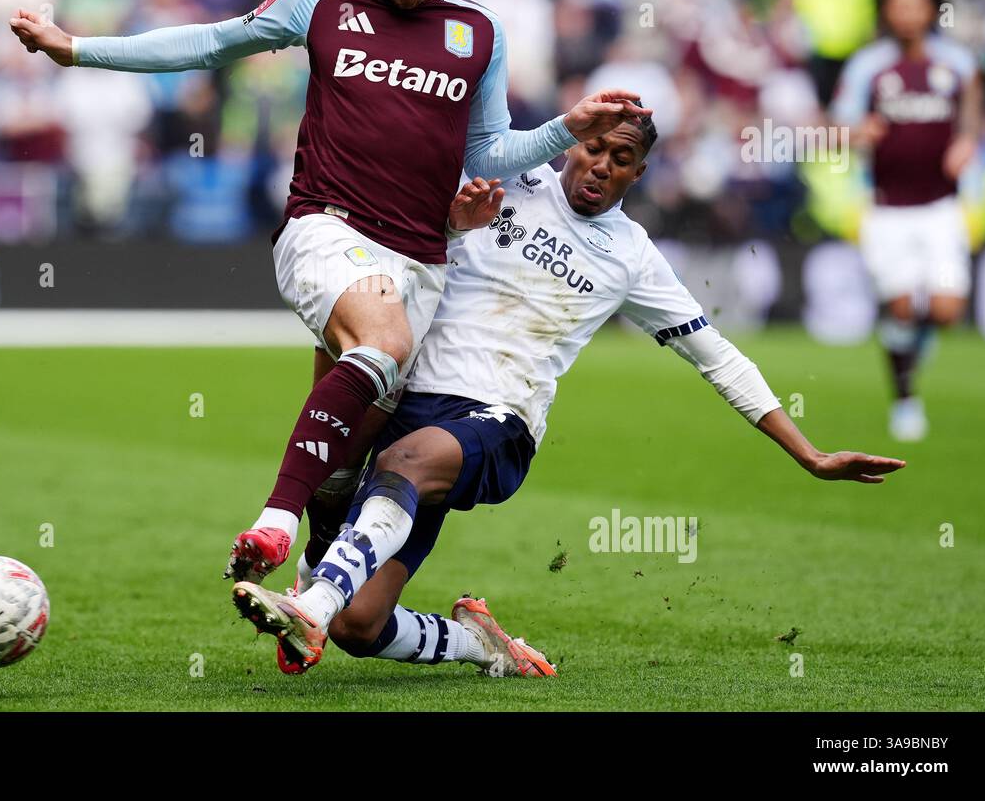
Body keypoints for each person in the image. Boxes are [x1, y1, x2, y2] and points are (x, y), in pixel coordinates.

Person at [9, 0, 650, 584]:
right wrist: (79, 50)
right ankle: (274, 525)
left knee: (350, 448)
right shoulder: (321, 2)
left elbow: (491, 153)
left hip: (421, 261)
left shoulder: (478, 31)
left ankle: (316, 577)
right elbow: (212, 41)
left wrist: (567, 126)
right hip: (327, 226)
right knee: (380, 343)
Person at [233, 108, 905, 675]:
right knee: (362, 627)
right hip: (414, 405)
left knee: (398, 466)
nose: (602, 164)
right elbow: (406, 248)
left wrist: (809, 454)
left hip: (499, 422)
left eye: (622, 157)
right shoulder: (505, 178)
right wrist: (454, 223)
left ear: (639, 173)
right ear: (569, 142)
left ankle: (310, 605)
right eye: (593, 147)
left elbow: (717, 358)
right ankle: (481, 646)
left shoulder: (633, 255)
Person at [831, 0, 982, 441]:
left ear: (934, 10)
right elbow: (838, 130)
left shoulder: (958, 65)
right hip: (887, 207)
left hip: (941, 205)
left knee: (945, 310)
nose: (907, 14)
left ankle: (917, 346)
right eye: (899, 5)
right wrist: (859, 133)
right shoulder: (866, 67)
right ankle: (905, 400)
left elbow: (972, 123)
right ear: (886, 12)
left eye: (916, 4)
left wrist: (967, 144)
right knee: (899, 306)